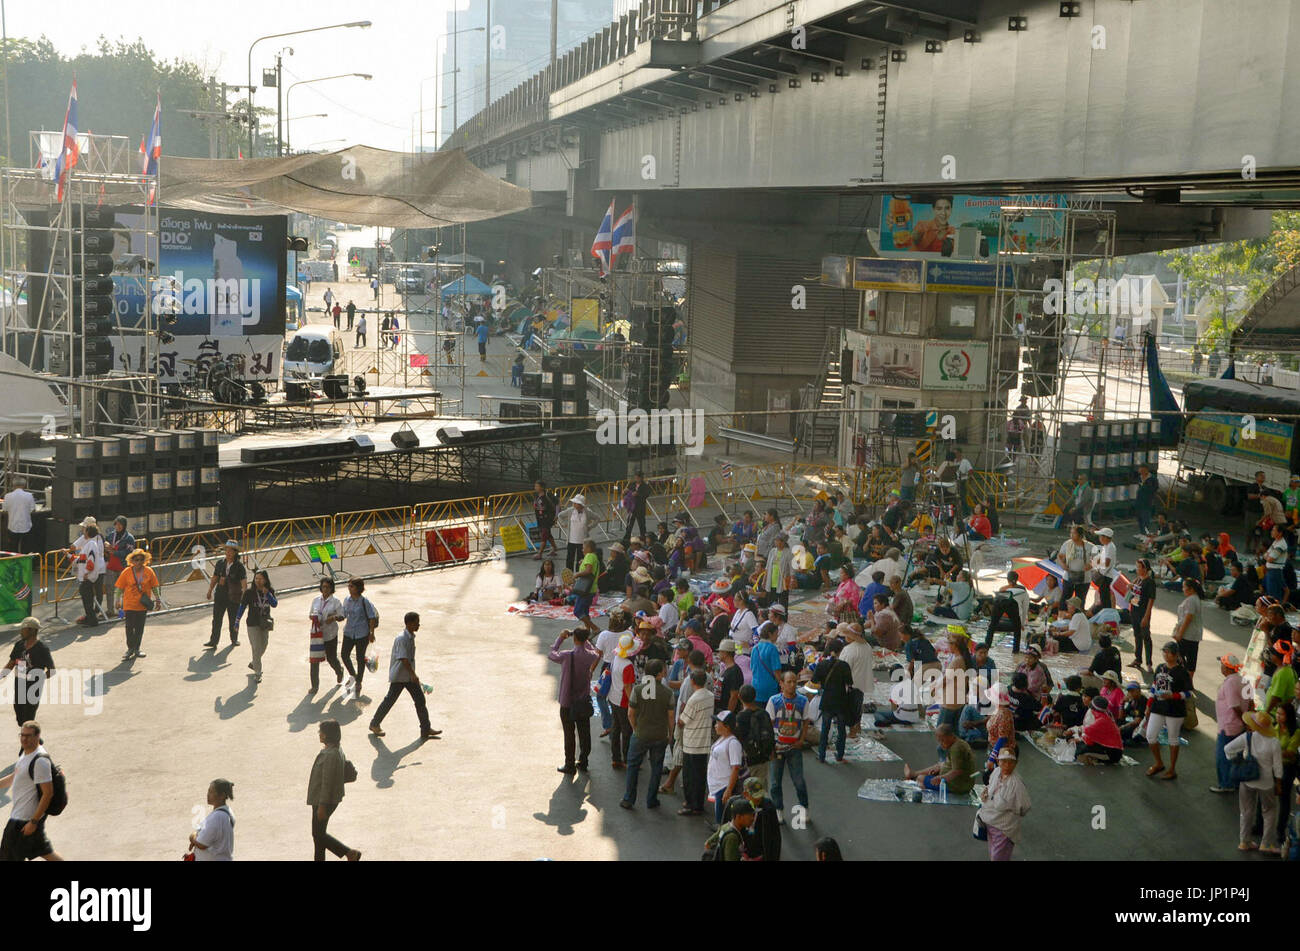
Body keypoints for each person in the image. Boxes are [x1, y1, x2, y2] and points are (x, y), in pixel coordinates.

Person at [369, 612, 440, 740]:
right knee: (390, 701)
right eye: (416, 622)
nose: (418, 625)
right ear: (409, 623)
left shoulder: (410, 637)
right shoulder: (402, 639)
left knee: (420, 700)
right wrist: (413, 674)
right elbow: (404, 659)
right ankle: (374, 724)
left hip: (407, 677)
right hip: (401, 677)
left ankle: (425, 729)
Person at [0, 720, 62, 861]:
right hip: (23, 818)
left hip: (24, 821)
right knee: (45, 852)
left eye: (28, 736)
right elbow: (14, 777)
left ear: (37, 736)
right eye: (22, 735)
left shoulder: (40, 761)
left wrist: (33, 822)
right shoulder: (26, 754)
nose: (24, 739)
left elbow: (48, 793)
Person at [1227, 712, 1284, 853]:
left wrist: (1238, 761)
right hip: (1266, 783)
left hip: (1247, 780)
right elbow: (1277, 767)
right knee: (1269, 811)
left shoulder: (1248, 737)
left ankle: (1244, 842)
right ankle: (1266, 844)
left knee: (1246, 811)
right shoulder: (1274, 742)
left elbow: (1227, 749)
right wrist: (1278, 783)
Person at [621, 658, 673, 808]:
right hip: (660, 735)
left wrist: (635, 728)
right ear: (658, 674)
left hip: (641, 734)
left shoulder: (637, 690)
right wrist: (670, 733)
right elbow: (670, 716)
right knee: (656, 768)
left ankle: (629, 799)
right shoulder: (667, 693)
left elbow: (631, 713)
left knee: (633, 766)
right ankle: (651, 800)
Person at [307, 719, 361, 861]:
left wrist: (322, 806)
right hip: (323, 799)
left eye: (321, 732)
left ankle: (350, 853)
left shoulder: (331, 755)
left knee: (318, 835)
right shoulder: (334, 749)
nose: (319, 734)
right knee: (319, 835)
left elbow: (327, 783)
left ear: (326, 735)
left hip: (324, 800)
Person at [550, 628, 601, 774]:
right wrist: (586, 642)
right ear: (585, 640)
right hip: (583, 701)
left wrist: (560, 638)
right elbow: (596, 652)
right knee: (584, 732)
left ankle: (569, 764)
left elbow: (552, 654)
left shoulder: (567, 655)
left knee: (569, 733)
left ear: (574, 638)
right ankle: (583, 761)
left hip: (567, 701)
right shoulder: (590, 655)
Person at [766, 671, 812, 824]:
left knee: (799, 781)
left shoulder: (803, 701)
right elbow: (769, 724)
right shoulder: (774, 701)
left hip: (794, 748)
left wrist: (802, 739)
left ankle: (804, 807)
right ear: (782, 683)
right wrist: (771, 745)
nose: (792, 685)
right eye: (789, 682)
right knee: (774, 782)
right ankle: (778, 809)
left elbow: (805, 722)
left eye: (794, 682)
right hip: (777, 748)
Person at [1146, 641, 1194, 780]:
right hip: (1158, 706)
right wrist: (1149, 705)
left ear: (1176, 655)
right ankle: (1159, 763)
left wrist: (1173, 696)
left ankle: (1172, 769)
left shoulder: (1182, 672)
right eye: (1164, 651)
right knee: (1150, 736)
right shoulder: (1160, 668)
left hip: (1175, 709)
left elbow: (1189, 693)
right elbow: (1154, 687)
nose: (1165, 655)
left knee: (1173, 738)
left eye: (1168, 652)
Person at [978, 748, 1031, 861]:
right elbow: (990, 786)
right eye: (1003, 761)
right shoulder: (997, 771)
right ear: (998, 761)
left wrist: (1012, 810)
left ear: (1015, 764)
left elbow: (1025, 807)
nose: (1007, 765)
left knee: (998, 858)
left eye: (1010, 762)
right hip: (990, 823)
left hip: (1003, 830)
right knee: (994, 854)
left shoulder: (1016, 784)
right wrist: (986, 791)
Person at [678, 669, 714, 817]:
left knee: (688, 777)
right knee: (700, 776)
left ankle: (690, 804)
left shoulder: (693, 699)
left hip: (691, 743)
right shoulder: (710, 696)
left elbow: (682, 721)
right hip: (704, 742)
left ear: (692, 681)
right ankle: (698, 805)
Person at [903, 723, 976, 795]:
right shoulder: (959, 742)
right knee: (939, 765)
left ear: (950, 736)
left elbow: (957, 771)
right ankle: (913, 774)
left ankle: (918, 779)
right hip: (963, 782)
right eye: (939, 741)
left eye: (943, 740)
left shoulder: (956, 749)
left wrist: (940, 778)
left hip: (958, 786)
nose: (941, 744)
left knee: (920, 779)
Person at [812, 638, 854, 764]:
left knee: (825, 728)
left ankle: (822, 755)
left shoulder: (821, 664)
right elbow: (849, 684)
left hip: (827, 699)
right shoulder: (844, 666)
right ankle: (840, 754)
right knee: (841, 729)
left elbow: (814, 681)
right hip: (841, 700)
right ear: (840, 651)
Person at [5, 618, 52, 726]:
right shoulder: (19, 645)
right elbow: (11, 664)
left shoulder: (42, 648)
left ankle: (31, 740)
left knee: (28, 719)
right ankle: (29, 737)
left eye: (23, 629)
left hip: (33, 688)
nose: (21, 632)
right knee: (20, 716)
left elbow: (51, 670)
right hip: (20, 685)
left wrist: (39, 678)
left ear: (32, 630)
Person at [115, 549, 159, 661]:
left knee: (139, 628)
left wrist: (158, 599)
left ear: (145, 560)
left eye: (141, 559)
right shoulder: (126, 572)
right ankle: (130, 648)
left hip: (142, 605)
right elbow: (120, 588)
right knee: (129, 627)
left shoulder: (149, 571)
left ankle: (137, 648)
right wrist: (117, 600)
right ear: (132, 560)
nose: (139, 562)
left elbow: (154, 586)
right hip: (129, 604)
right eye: (136, 560)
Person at [236, 570, 277, 685]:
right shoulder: (249, 593)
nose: (258, 581)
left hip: (264, 623)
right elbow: (242, 606)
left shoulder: (270, 591)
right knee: (256, 647)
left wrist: (268, 594)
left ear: (265, 580)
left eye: (261, 579)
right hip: (252, 623)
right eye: (256, 579)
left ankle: (254, 662)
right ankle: (258, 673)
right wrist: (237, 621)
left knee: (264, 645)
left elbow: (274, 604)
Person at [340, 578, 379, 700]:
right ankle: (353, 675)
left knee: (360, 658)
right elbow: (344, 614)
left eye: (352, 586)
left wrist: (371, 633)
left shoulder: (364, 601)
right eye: (349, 586)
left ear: (358, 588)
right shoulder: (347, 600)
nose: (349, 588)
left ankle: (359, 682)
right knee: (344, 655)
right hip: (349, 632)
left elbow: (372, 617)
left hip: (362, 633)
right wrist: (336, 617)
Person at [205, 540, 246, 649]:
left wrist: (244, 596)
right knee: (217, 619)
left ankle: (234, 639)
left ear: (235, 552)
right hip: (220, 595)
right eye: (226, 550)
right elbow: (214, 578)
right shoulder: (220, 563)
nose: (228, 552)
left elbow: (243, 582)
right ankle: (213, 641)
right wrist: (210, 590)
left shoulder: (239, 566)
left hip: (233, 596)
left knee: (233, 619)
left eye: (230, 551)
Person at [708, 711, 746, 825]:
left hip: (723, 786)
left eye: (718, 723)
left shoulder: (733, 743)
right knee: (719, 815)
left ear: (727, 726)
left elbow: (735, 768)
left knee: (723, 820)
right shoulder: (722, 739)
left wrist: (728, 789)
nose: (715, 725)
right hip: (717, 785)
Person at [309, 578, 346, 693]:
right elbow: (310, 614)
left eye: (328, 587)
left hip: (330, 635)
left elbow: (342, 616)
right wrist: (314, 618)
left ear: (332, 588)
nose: (325, 589)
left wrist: (334, 617)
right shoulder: (316, 600)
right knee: (314, 661)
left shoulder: (336, 602)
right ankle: (315, 686)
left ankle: (339, 670)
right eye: (323, 586)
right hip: (316, 635)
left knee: (331, 658)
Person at [67, 517, 105, 626]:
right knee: (89, 596)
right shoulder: (91, 543)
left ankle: (92, 619)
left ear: (88, 531)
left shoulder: (91, 544)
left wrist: (86, 573)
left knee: (87, 597)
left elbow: (90, 561)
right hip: (91, 573)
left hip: (88, 575)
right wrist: (69, 556)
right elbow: (82, 559)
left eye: (85, 529)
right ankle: (91, 617)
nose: (83, 530)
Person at [607, 633, 638, 768]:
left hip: (613, 698)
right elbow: (628, 686)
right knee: (627, 731)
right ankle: (626, 758)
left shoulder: (615, 659)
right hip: (623, 701)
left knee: (616, 728)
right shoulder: (628, 665)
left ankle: (616, 758)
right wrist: (633, 703)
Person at [188, 779, 235, 862]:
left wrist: (192, 838)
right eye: (208, 791)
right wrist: (196, 834)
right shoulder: (227, 811)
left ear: (222, 795)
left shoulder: (217, 817)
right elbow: (202, 830)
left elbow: (202, 844)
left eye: (211, 792)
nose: (208, 795)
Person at [984, 570, 1029, 654]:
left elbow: (996, 603)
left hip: (1000, 605)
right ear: (1017, 579)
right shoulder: (1022, 589)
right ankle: (1015, 651)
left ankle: (986, 647)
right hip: (1012, 607)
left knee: (991, 627)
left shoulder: (1002, 589)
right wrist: (1022, 624)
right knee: (1017, 629)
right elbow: (1024, 607)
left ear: (1007, 580)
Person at [740, 777, 781, 861]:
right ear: (745, 794)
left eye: (761, 795)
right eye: (755, 796)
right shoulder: (737, 806)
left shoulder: (768, 807)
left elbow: (776, 836)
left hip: (761, 855)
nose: (759, 798)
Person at [103, 515, 135, 615]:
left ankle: (125, 610)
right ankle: (110, 610)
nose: (118, 526)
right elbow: (105, 544)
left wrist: (115, 552)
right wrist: (106, 546)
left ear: (124, 525)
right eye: (116, 524)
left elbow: (129, 553)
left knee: (124, 590)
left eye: (120, 524)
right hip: (111, 566)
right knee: (109, 589)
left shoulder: (129, 538)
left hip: (123, 567)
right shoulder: (111, 535)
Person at [1172, 578, 1204, 674]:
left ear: (1191, 589)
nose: (1183, 589)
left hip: (1188, 634)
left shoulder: (1191, 600)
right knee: (1191, 659)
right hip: (1193, 634)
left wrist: (1180, 634)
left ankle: (1183, 680)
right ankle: (1188, 682)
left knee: (1179, 658)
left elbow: (1188, 618)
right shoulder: (1195, 599)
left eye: (1184, 587)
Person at [1131, 558, 1157, 668]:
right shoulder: (1138, 579)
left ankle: (1149, 662)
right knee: (1137, 635)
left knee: (1146, 636)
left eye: (1139, 567)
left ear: (1145, 569)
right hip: (1134, 610)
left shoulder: (1150, 582)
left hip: (1143, 612)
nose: (1137, 569)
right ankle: (1138, 659)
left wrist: (1146, 617)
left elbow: (1151, 600)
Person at [555, 494, 589, 572]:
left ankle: (578, 573)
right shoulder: (570, 510)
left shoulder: (587, 512)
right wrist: (564, 524)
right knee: (570, 558)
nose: (574, 504)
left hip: (582, 540)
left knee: (580, 558)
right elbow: (560, 516)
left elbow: (596, 518)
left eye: (575, 503)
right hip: (571, 540)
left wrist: (589, 527)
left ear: (580, 505)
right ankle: (569, 575)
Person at [2, 477, 35, 553]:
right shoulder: (29, 495)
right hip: (26, 525)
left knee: (13, 548)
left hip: (12, 525)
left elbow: (4, 510)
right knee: (25, 548)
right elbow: (33, 510)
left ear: (13, 485)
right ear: (24, 485)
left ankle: (13, 563)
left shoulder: (7, 496)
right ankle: (24, 562)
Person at [1091, 527, 1118, 610]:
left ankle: (1107, 615)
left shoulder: (1110, 547)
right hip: (1104, 575)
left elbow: (1107, 563)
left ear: (1106, 537)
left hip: (1106, 576)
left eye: (1101, 536)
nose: (1100, 538)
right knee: (1103, 597)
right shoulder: (1106, 547)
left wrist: (1096, 562)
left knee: (1105, 599)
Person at [621, 472, 651, 545]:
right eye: (636, 478)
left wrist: (638, 494)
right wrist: (625, 491)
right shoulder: (632, 484)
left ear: (641, 478)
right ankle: (626, 538)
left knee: (641, 524)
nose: (636, 479)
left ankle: (643, 538)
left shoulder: (645, 486)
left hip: (640, 508)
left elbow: (647, 494)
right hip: (632, 507)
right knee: (629, 524)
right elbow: (626, 491)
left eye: (638, 478)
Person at [532, 480, 559, 560]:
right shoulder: (537, 496)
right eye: (535, 486)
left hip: (548, 518)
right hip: (540, 518)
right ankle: (554, 548)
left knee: (544, 535)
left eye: (537, 486)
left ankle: (540, 553)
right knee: (548, 534)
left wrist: (557, 515)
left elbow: (557, 503)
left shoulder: (548, 495)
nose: (535, 488)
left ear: (542, 487)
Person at [1134, 463, 1159, 534]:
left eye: (1142, 470)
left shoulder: (1152, 478)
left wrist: (1147, 490)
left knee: (1145, 517)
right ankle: (1141, 531)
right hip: (1139, 500)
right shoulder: (1139, 478)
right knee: (1139, 518)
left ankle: (1146, 532)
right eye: (1140, 470)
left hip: (1147, 501)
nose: (1141, 472)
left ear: (1146, 470)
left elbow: (1155, 488)